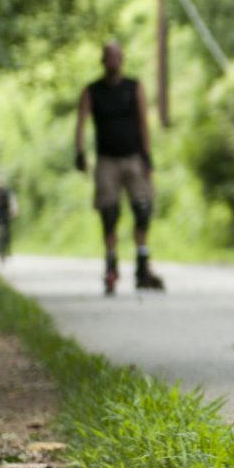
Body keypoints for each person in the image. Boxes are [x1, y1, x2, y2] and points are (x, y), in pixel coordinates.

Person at [74, 41, 164, 295]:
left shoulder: (134, 87)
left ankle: (142, 264)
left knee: (142, 209)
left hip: (133, 157)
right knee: (109, 214)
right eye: (109, 56)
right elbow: (81, 123)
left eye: (117, 56)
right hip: (106, 160)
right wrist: (80, 153)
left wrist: (147, 156)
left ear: (122, 59)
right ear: (103, 60)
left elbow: (144, 122)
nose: (113, 60)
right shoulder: (92, 91)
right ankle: (111, 263)